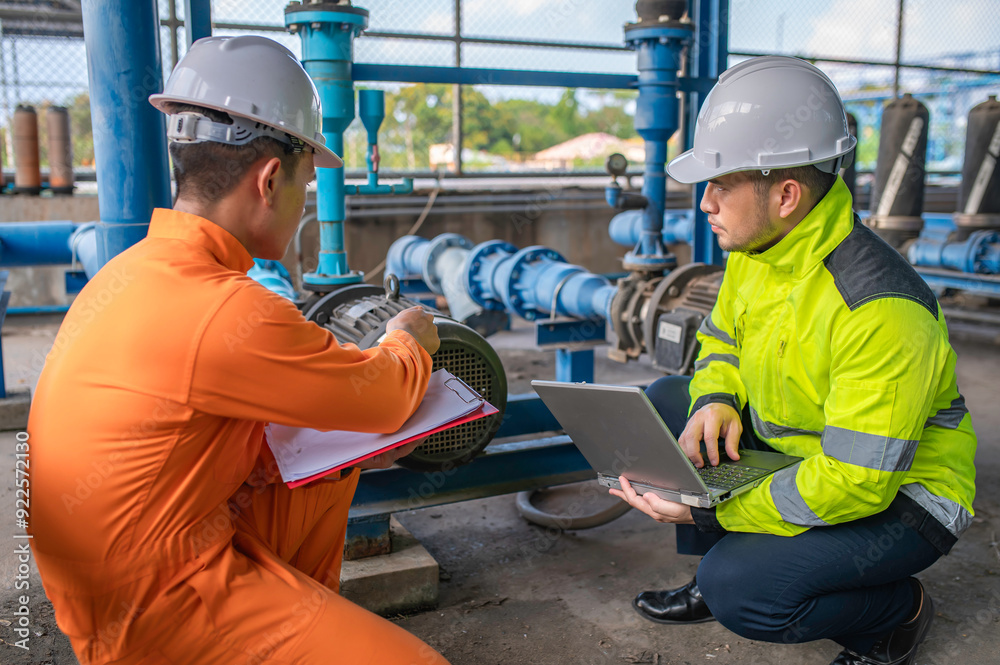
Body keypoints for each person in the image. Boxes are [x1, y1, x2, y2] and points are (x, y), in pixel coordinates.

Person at [28, 35, 450, 665]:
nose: (304, 205)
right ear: (270, 179)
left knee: (327, 473)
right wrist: (407, 339)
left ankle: (300, 626)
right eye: (307, 184)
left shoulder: (135, 270)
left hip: (119, 568)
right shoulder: (223, 306)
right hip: (154, 603)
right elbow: (384, 398)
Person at [609, 56, 976, 665]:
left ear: (785, 195)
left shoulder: (878, 307)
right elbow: (721, 341)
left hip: (902, 495)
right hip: (807, 456)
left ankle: (896, 615)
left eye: (721, 185)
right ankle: (717, 566)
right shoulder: (758, 250)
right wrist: (716, 399)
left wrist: (709, 508)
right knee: (668, 403)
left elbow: (857, 481)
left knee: (743, 590)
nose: (705, 204)